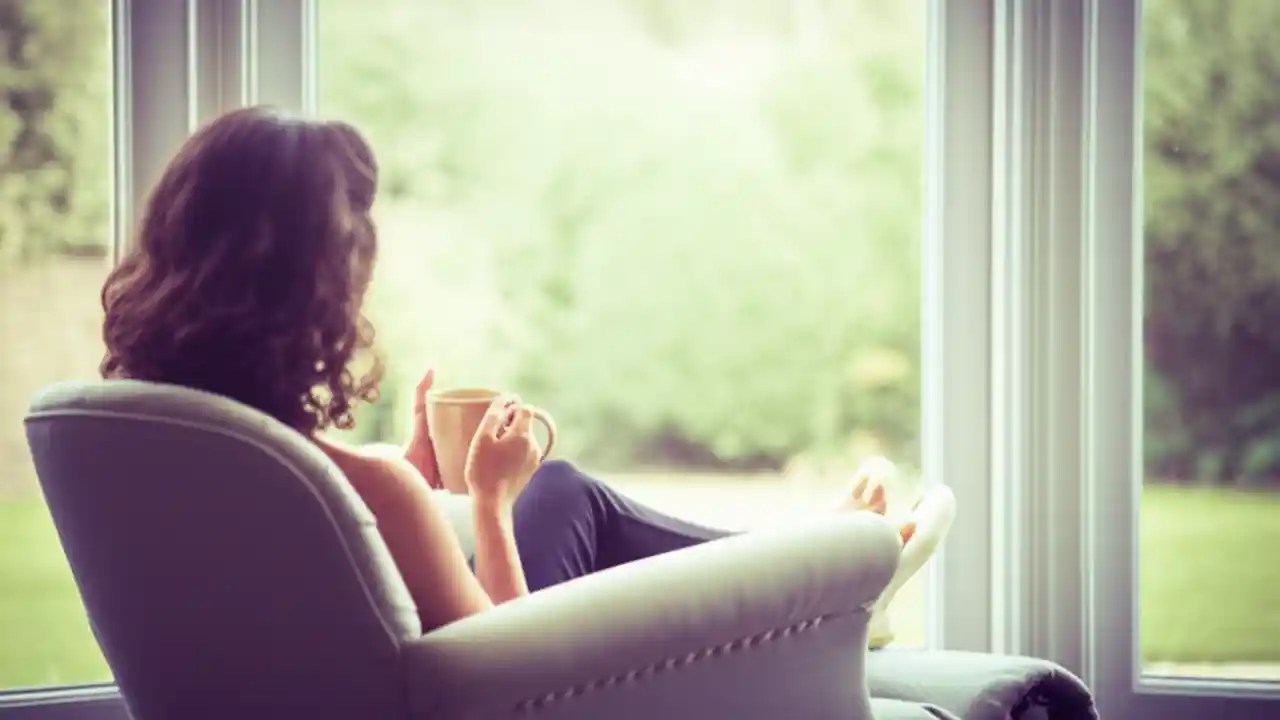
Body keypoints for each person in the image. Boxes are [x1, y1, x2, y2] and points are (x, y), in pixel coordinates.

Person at [99, 107, 932, 634]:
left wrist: (419, 487)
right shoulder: (355, 487)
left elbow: (303, 597)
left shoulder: (145, 438)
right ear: (313, 284)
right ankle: (832, 576)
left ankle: (817, 556)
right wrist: (487, 502)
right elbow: (504, 676)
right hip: (520, 690)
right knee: (549, 490)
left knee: (564, 492)